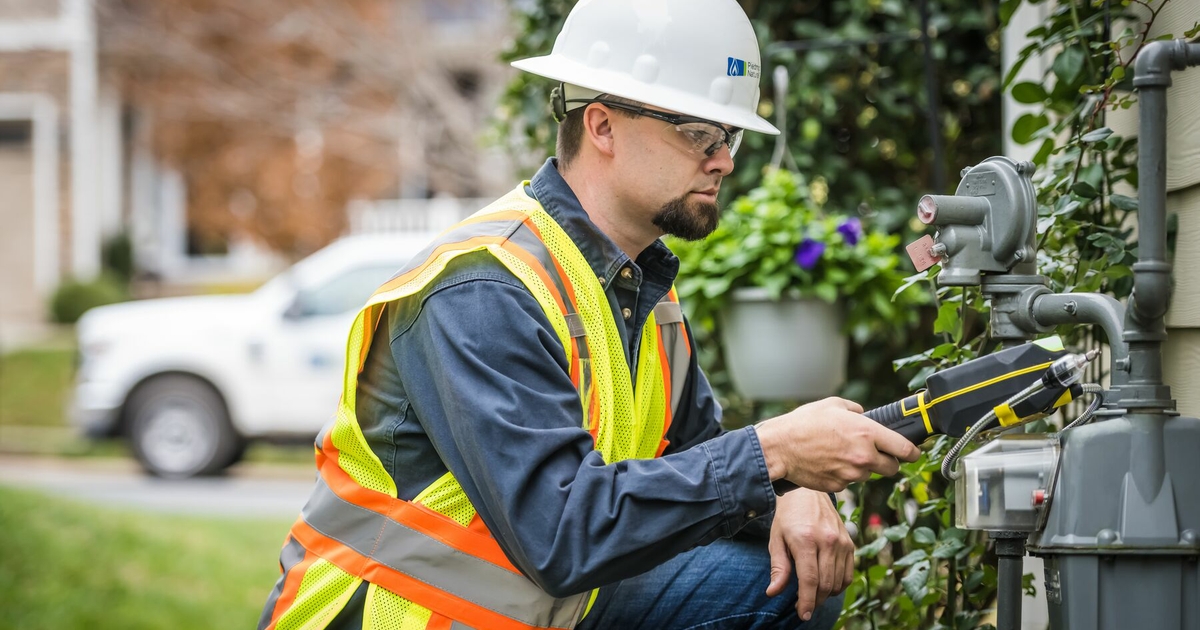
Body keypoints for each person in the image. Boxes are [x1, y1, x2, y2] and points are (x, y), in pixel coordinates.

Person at [258, 0, 920, 628]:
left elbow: (696, 467)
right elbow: (561, 534)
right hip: (395, 613)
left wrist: (790, 486)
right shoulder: (482, 289)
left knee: (789, 579)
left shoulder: (639, 288)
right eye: (699, 133)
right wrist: (775, 453)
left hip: (536, 604)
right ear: (602, 126)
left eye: (731, 138)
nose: (723, 160)